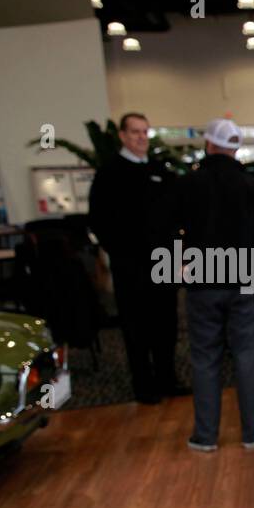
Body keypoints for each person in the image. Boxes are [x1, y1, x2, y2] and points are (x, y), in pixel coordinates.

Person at [173, 118, 254, 452]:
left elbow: (167, 229)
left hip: (201, 282)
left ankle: (204, 437)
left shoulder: (187, 184)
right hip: (243, 280)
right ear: (235, 147)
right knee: (247, 354)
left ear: (208, 144)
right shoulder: (251, 185)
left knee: (204, 358)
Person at [88, 112, 185, 404]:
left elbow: (176, 216)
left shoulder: (161, 171)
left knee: (167, 327)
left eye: (145, 131)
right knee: (137, 330)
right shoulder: (109, 173)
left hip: (165, 266)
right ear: (122, 135)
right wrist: (121, 253)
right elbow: (98, 221)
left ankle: (168, 379)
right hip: (131, 269)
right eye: (135, 132)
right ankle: (144, 386)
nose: (141, 137)